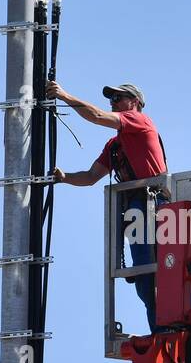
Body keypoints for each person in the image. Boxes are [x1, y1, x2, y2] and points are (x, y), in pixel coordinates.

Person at [49, 80, 168, 332]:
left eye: (118, 98)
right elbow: (92, 176)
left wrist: (65, 96)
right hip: (137, 208)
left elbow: (97, 117)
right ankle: (159, 332)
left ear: (134, 103)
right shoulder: (115, 145)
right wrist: (65, 178)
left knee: (162, 270)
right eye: (111, 99)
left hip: (156, 204)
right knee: (145, 276)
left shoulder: (140, 121)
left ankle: (169, 327)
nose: (113, 103)